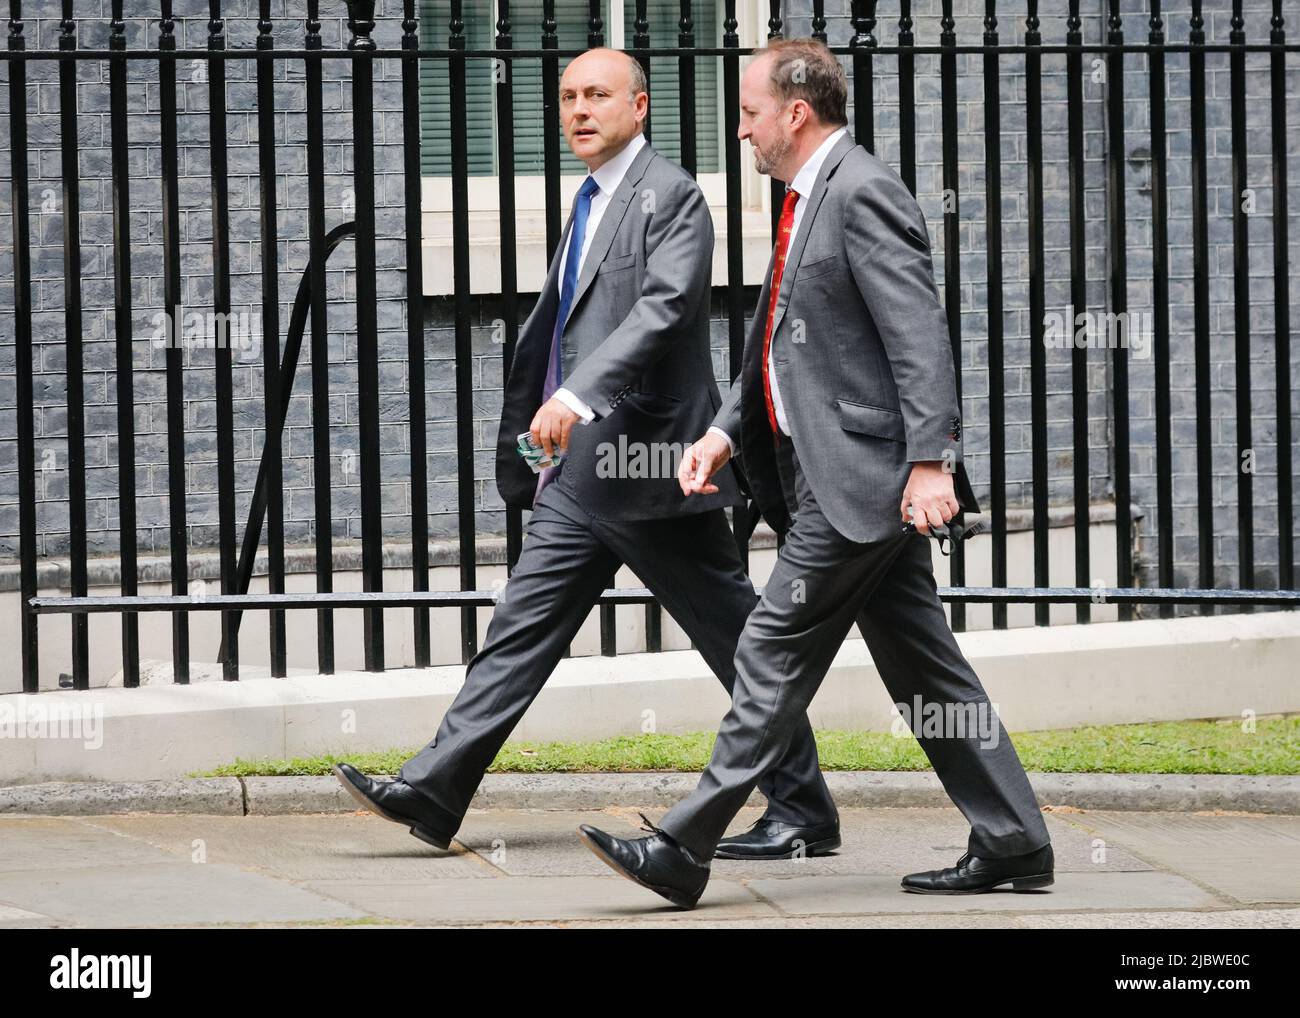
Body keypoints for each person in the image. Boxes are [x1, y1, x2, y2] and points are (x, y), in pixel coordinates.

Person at [577, 38, 1054, 909]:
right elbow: (778, 347)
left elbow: (919, 342)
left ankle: (684, 845)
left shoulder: (862, 191)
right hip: (826, 477)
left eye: (752, 113)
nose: (743, 131)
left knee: (767, 649)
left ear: (797, 113)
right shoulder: (805, 198)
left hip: (863, 482)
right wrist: (724, 436)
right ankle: (1015, 839)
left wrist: (928, 465)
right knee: (927, 670)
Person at [333, 47, 840, 859]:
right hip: (581, 476)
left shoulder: (672, 197)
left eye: (597, 95)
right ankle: (436, 787)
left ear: (639, 107)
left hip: (655, 471)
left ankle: (804, 812)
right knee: (519, 627)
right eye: (568, 96)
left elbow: (664, 312)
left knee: (737, 641)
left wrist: (575, 397)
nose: (578, 109)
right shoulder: (589, 199)